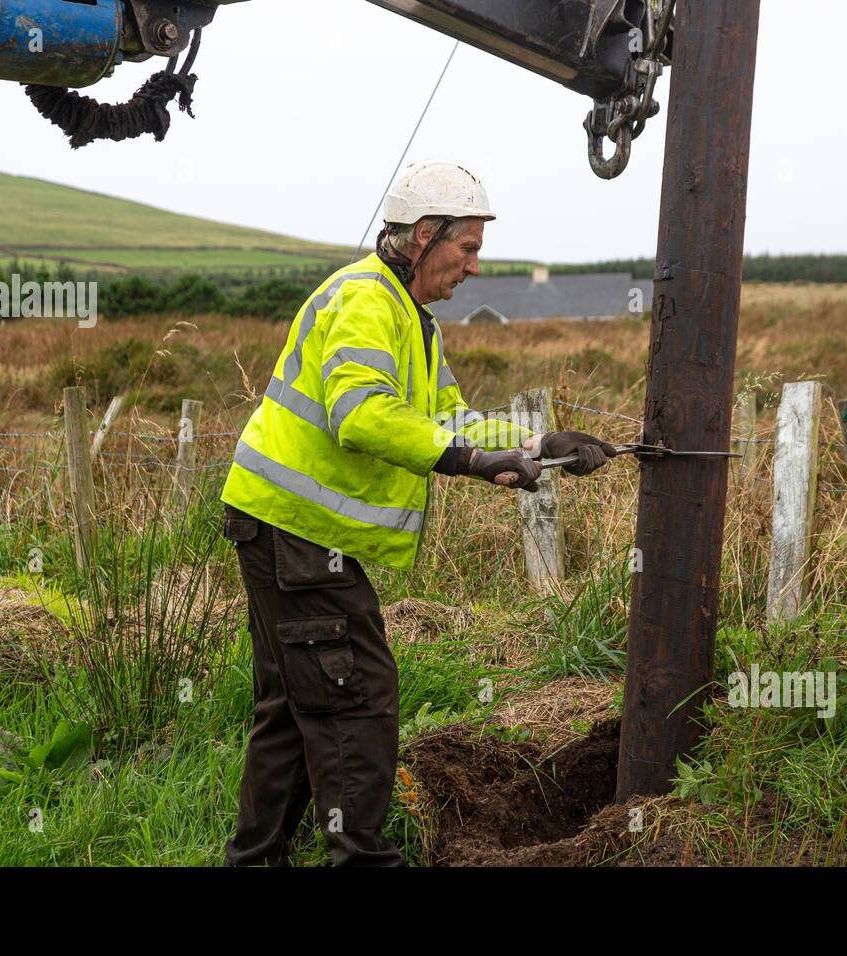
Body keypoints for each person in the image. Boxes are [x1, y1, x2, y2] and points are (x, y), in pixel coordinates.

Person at [219, 160, 617, 866]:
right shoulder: (369, 302)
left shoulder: (410, 318)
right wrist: (465, 462)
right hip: (297, 531)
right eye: (467, 248)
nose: (474, 266)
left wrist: (534, 443)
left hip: (282, 525)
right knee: (353, 697)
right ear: (425, 234)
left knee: (293, 706)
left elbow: (449, 419)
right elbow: (362, 414)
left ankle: (257, 859)